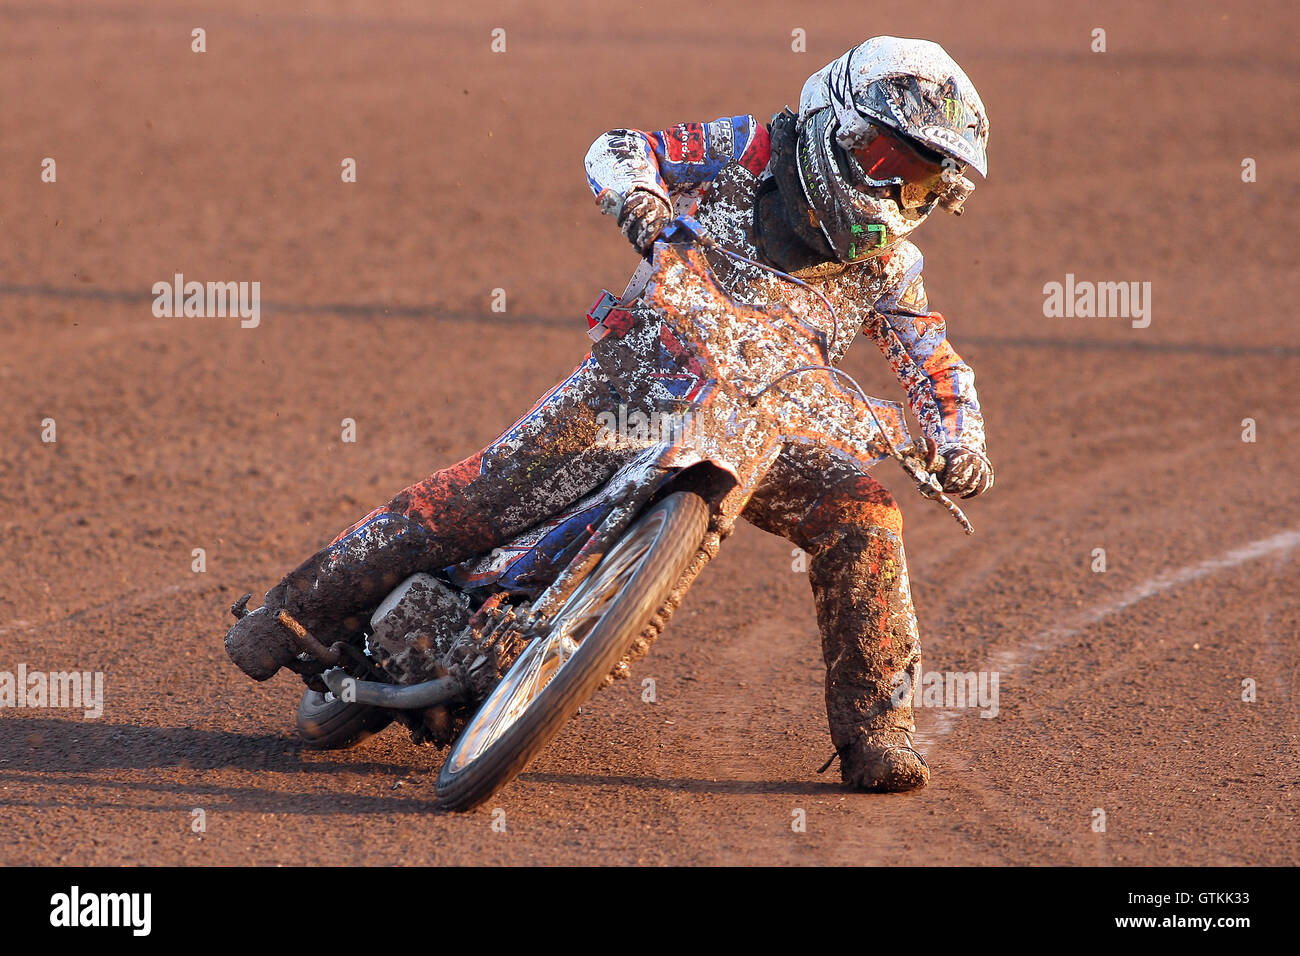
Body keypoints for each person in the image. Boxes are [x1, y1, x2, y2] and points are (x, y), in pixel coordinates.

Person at [226, 36, 994, 792]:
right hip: (632, 386)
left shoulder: (890, 267)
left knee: (867, 516)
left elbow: (933, 361)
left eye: (922, 182)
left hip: (764, 424)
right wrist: (643, 205)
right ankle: (290, 612)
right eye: (889, 161)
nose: (896, 192)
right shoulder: (749, 148)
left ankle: (877, 730)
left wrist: (959, 434)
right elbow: (621, 148)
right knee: (471, 501)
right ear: (837, 121)